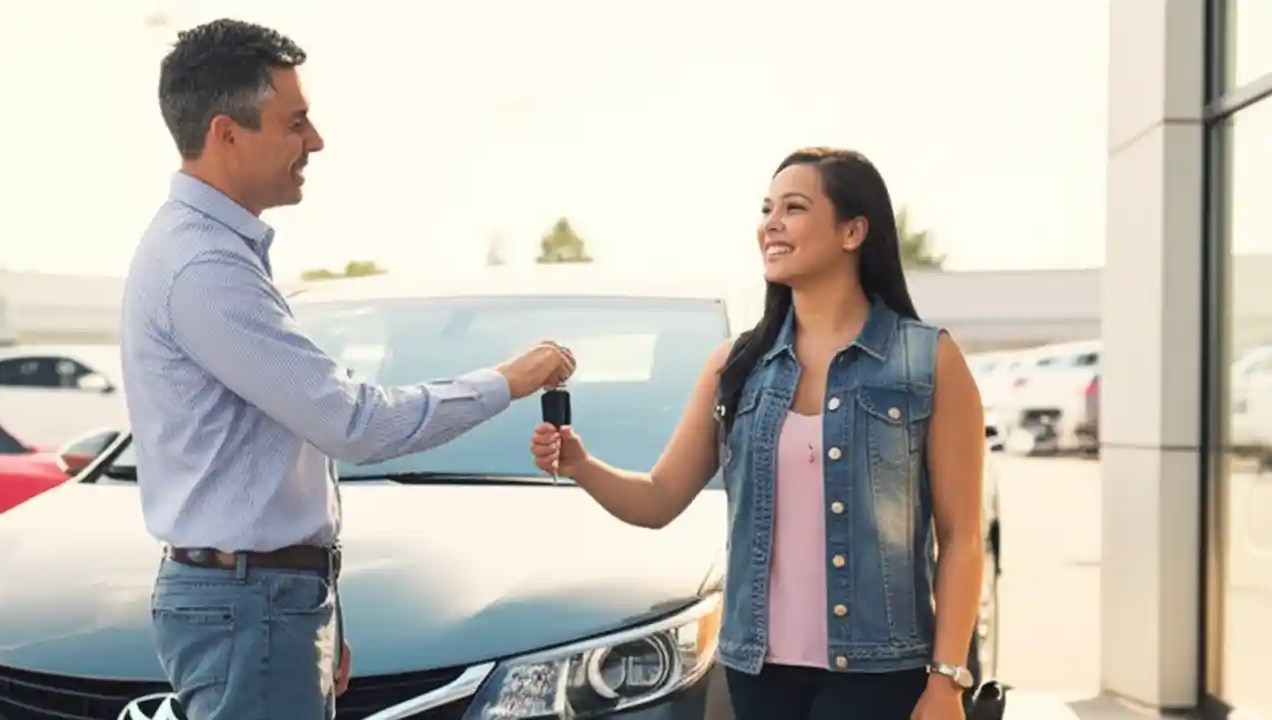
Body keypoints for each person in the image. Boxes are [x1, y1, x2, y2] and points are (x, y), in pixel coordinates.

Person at [120, 18, 575, 720]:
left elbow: (274, 458)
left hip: (266, 604)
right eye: (295, 122)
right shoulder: (205, 267)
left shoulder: (209, 253)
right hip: (252, 610)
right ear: (227, 134)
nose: (315, 142)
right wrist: (507, 381)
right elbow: (353, 423)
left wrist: (320, 607)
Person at [530, 147, 985, 720]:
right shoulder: (737, 365)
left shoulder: (927, 360)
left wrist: (947, 682)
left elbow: (962, 537)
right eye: (767, 208)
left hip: (881, 674)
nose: (770, 224)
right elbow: (658, 498)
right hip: (758, 675)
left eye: (793, 208)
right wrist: (581, 465)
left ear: (853, 230)